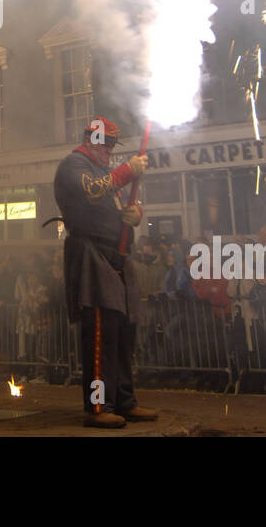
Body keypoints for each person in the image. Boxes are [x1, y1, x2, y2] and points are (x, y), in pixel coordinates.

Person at [53, 116, 156, 428]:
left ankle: (124, 400)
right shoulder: (74, 165)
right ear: (90, 140)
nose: (109, 149)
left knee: (123, 334)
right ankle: (99, 405)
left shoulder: (103, 170)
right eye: (104, 142)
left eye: (112, 144)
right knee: (100, 336)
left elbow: (111, 204)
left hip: (115, 257)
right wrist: (127, 173)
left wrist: (133, 216)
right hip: (91, 255)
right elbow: (91, 191)